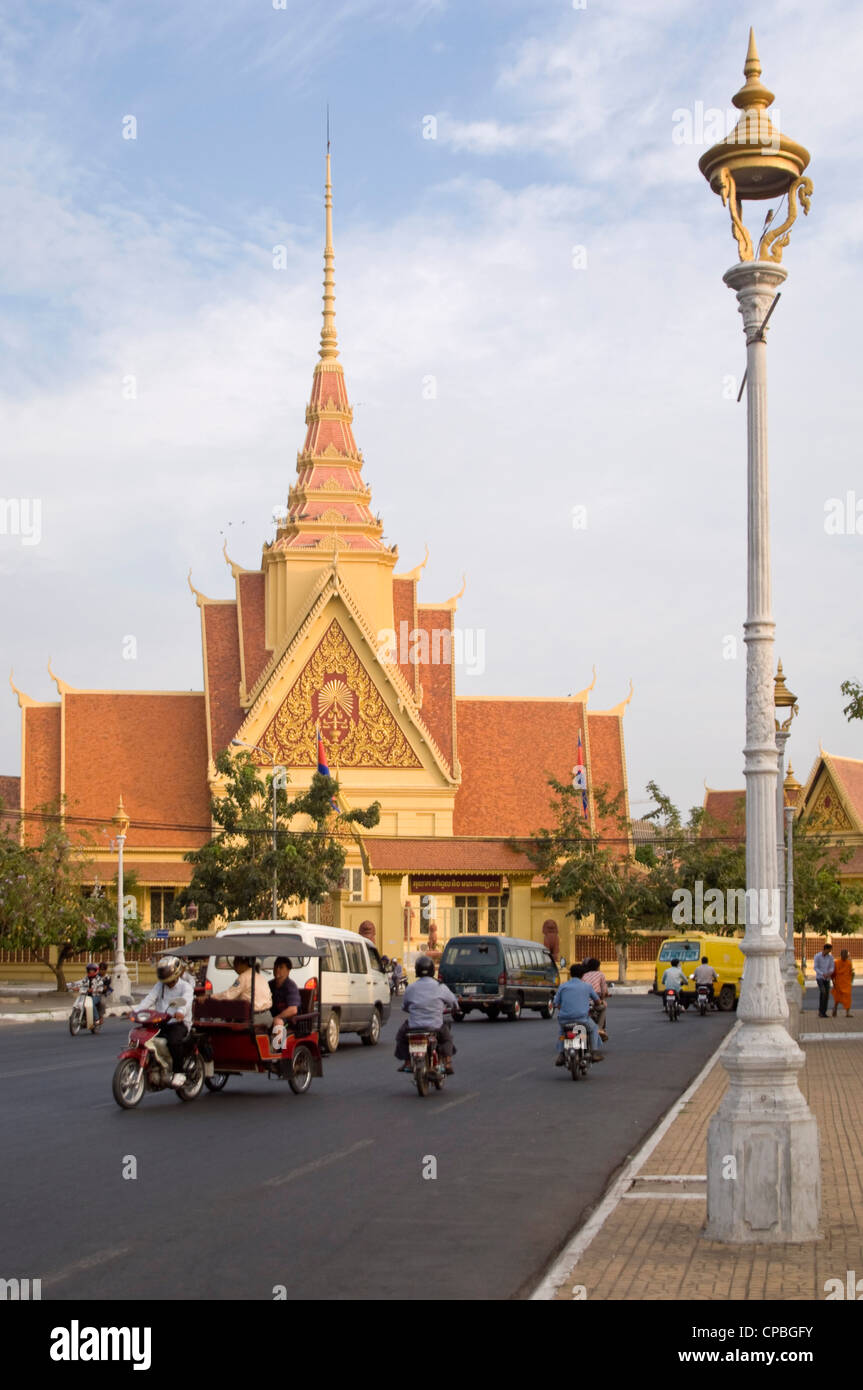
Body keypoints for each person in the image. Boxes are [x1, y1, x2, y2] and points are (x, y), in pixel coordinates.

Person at [135, 956, 194, 1087]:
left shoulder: (186, 987)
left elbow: (186, 1001)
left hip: (179, 1023)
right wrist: (136, 1011)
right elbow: (149, 999)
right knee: (145, 1037)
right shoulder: (160, 985)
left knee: (173, 1041)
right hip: (161, 1021)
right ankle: (154, 1065)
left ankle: (179, 1072)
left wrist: (180, 1012)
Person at [394, 955, 456, 1074]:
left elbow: (405, 1006)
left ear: (417, 970)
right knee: (447, 1038)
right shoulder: (440, 986)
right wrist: (455, 1008)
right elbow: (453, 1002)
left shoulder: (411, 988)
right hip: (435, 1026)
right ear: (433, 970)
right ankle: (447, 1062)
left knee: (401, 1037)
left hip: (414, 1027)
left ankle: (407, 1062)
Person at [553, 964, 604, 1063]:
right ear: (583, 975)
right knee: (594, 1029)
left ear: (570, 974)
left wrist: (565, 1010)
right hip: (582, 1020)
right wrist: (599, 1003)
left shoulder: (563, 986)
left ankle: (561, 1054)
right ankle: (594, 1052)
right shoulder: (587, 986)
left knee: (562, 1032)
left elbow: (556, 1004)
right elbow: (597, 1001)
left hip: (565, 1019)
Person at [212, 957, 273, 1022]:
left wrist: (211, 996)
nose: (235, 968)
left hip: (254, 1018)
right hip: (268, 1016)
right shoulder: (260, 976)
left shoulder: (243, 977)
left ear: (243, 964)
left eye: (235, 964)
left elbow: (228, 996)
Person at [269, 956, 301, 1051]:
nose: (277, 969)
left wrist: (277, 1017)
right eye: (275, 966)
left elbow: (293, 1009)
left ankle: (276, 1052)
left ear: (288, 970)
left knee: (278, 1022)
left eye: (281, 967)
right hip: (272, 1016)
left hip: (291, 1021)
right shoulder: (270, 984)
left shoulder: (290, 987)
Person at [69, 962, 106, 1028]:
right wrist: (74, 987)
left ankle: (97, 1019)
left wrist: (94, 990)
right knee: (79, 1003)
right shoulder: (86, 978)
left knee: (91, 1004)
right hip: (85, 995)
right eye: (89, 970)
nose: (91, 971)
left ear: (95, 970)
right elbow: (81, 983)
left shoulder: (99, 979)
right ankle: (77, 1016)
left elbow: (101, 988)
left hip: (96, 996)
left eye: (92, 970)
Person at [582, 956, 610, 1040]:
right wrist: (603, 998)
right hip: (594, 1001)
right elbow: (604, 990)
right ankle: (600, 1028)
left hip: (584, 1002)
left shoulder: (584, 975)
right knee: (603, 1007)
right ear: (597, 967)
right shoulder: (600, 974)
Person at [813, 943, 835, 1019]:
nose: (829, 952)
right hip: (820, 977)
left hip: (827, 978)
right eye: (828, 950)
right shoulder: (817, 956)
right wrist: (822, 974)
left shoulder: (830, 957)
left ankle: (823, 1012)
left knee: (826, 995)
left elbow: (832, 967)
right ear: (825, 949)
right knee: (823, 992)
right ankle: (821, 1011)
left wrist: (830, 972)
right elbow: (815, 967)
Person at [832, 948, 854, 1019]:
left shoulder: (849, 963)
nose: (845, 957)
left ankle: (847, 1013)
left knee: (848, 998)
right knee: (837, 998)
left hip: (847, 983)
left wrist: (850, 981)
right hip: (839, 983)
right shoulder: (836, 962)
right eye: (843, 955)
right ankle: (835, 1009)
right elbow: (833, 973)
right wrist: (833, 982)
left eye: (846, 956)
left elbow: (850, 972)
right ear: (841, 955)